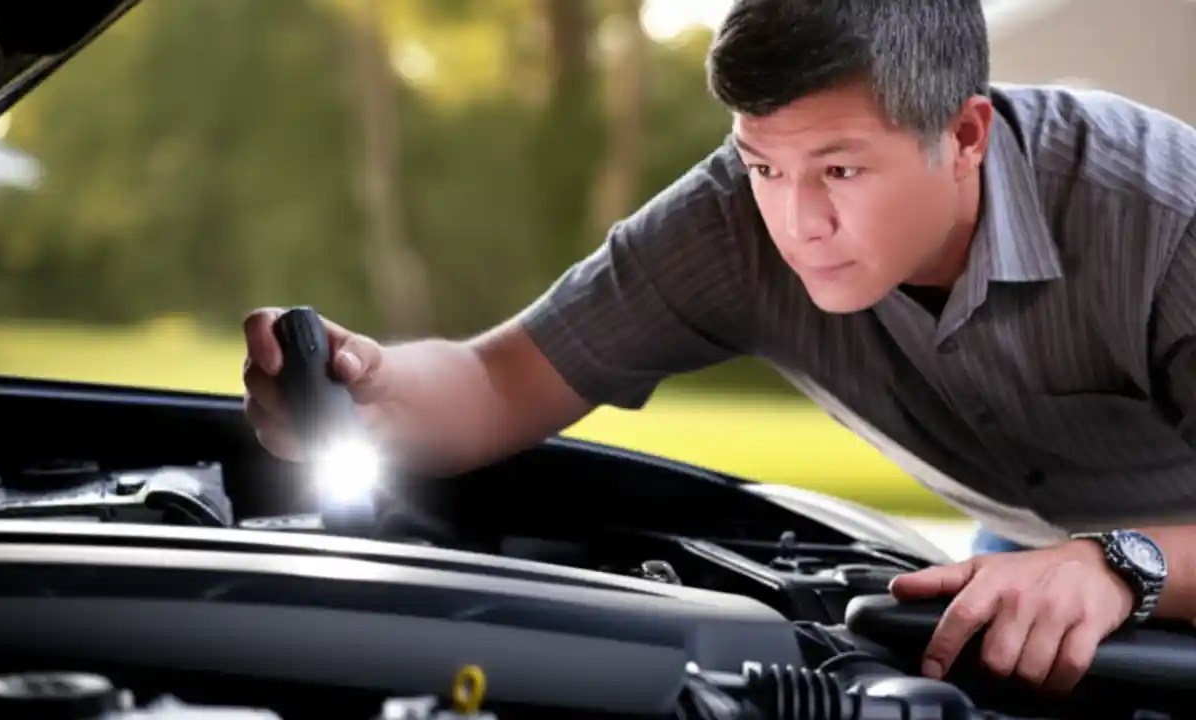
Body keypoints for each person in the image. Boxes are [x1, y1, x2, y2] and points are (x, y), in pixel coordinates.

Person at [243, 0, 1196, 696]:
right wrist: (363, 388)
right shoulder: (731, 224)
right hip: (1030, 563)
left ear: (966, 132)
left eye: (840, 169)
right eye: (764, 165)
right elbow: (498, 379)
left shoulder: (1161, 220)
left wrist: (1121, 566)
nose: (797, 220)